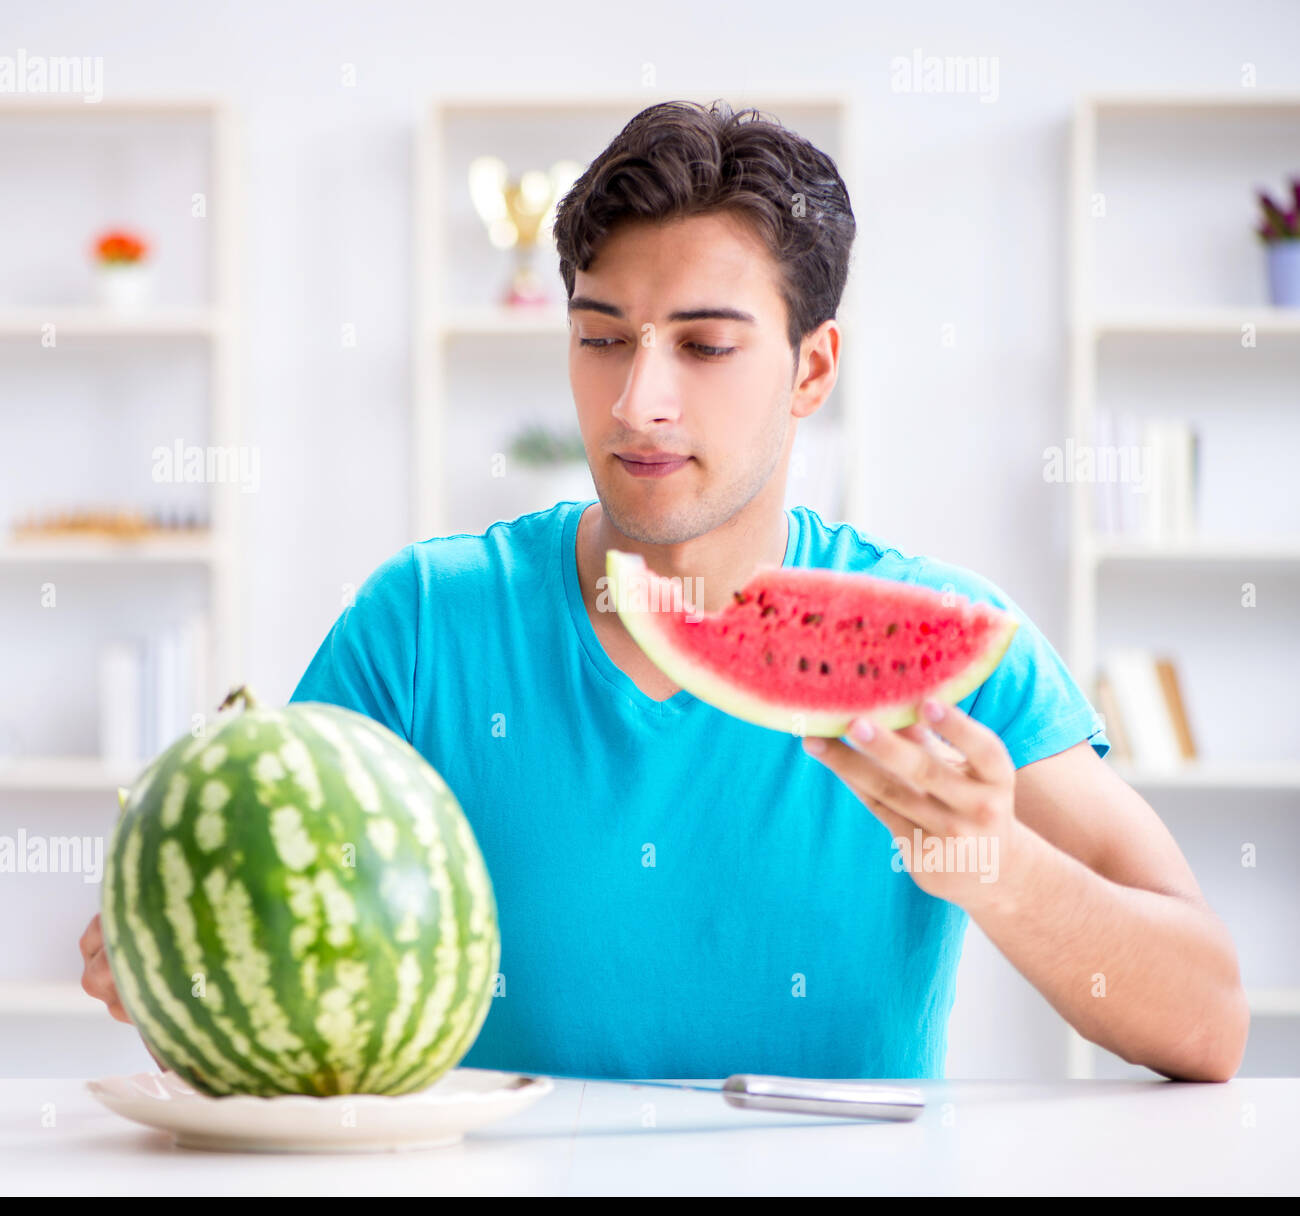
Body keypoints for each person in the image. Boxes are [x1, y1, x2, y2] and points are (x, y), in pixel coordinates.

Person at [82, 100, 1248, 1082]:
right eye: (603, 338)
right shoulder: (423, 624)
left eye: (702, 344)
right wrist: (176, 951)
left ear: (812, 369)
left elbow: (1208, 1020)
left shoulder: (955, 650)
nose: (638, 400)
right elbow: (270, 917)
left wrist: (996, 861)